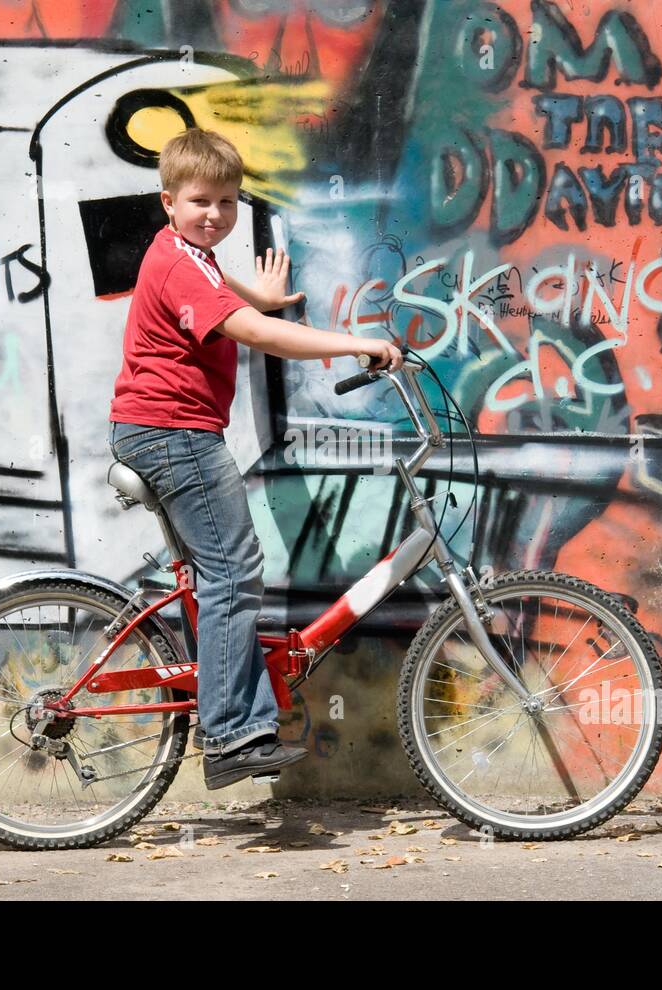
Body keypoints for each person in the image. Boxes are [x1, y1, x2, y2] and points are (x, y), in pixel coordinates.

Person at [108, 127, 402, 790]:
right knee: (234, 575)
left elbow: (225, 296)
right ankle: (232, 735)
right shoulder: (182, 262)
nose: (214, 213)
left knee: (223, 574)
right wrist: (353, 341)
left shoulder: (187, 254)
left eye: (228, 202)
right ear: (168, 203)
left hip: (167, 431)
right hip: (172, 435)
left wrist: (258, 296)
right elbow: (257, 335)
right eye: (200, 201)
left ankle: (233, 718)